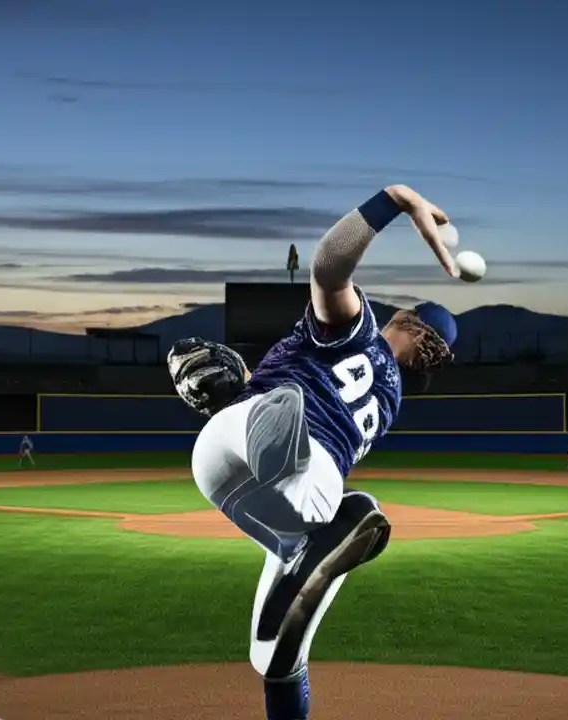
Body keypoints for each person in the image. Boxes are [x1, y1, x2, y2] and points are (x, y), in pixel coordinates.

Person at [167, 184, 460, 720]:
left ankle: (262, 416)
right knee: (283, 654)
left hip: (221, 461)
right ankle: (314, 518)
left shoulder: (360, 329)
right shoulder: (390, 400)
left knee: (274, 656)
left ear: (408, 320)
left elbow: (327, 267)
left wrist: (392, 200)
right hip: (308, 494)